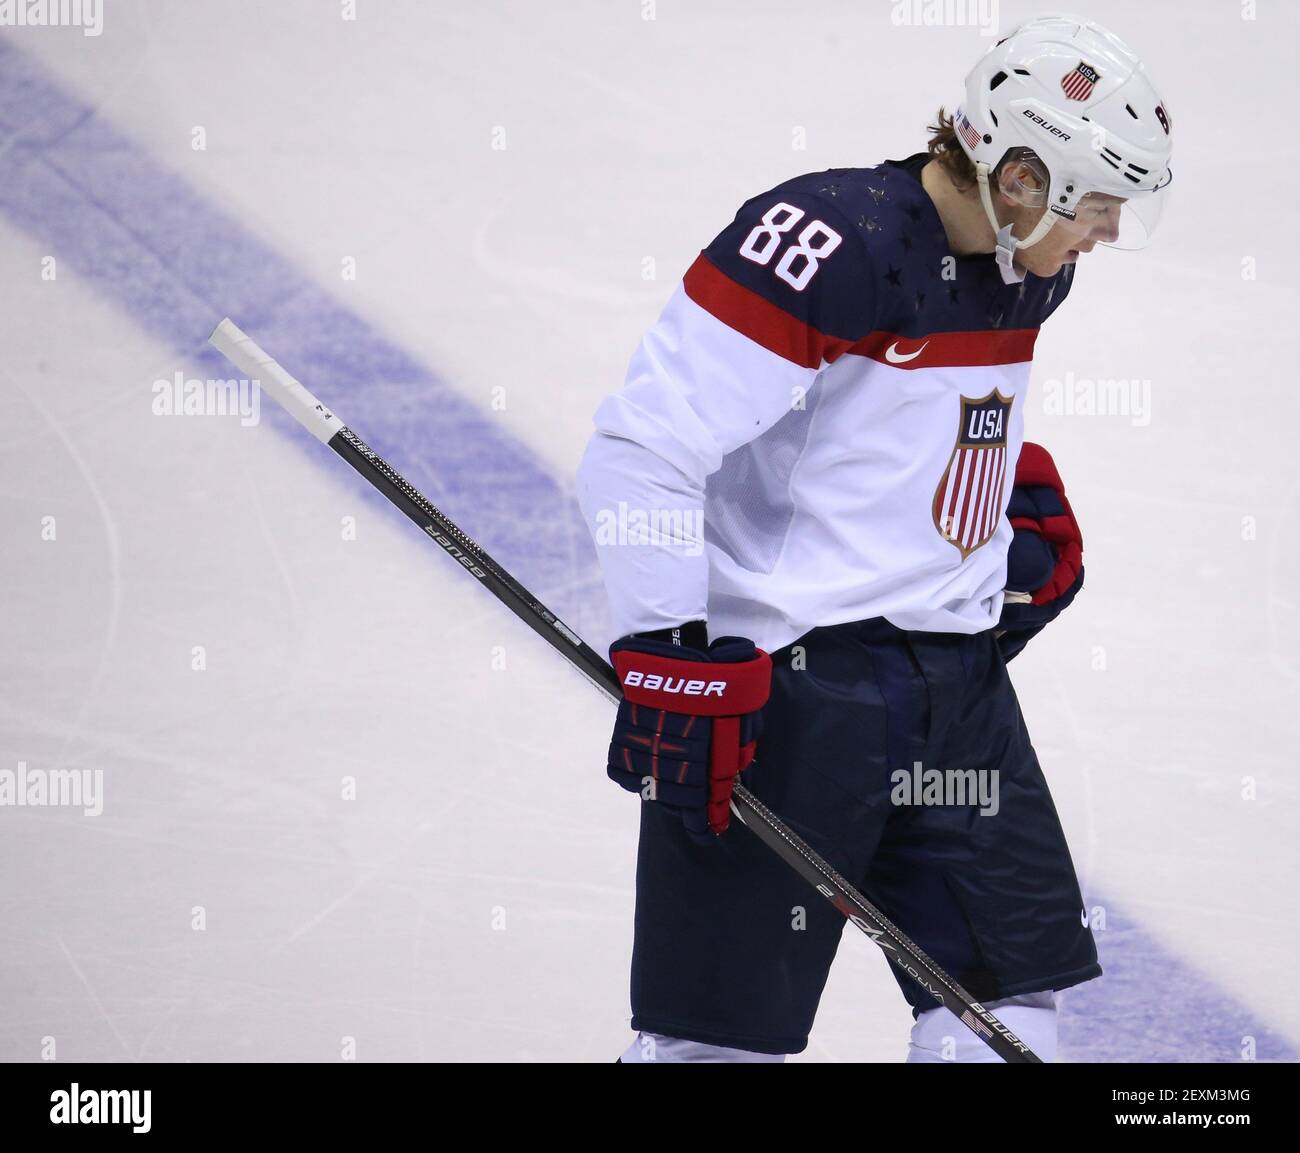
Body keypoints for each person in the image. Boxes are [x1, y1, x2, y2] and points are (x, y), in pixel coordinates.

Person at [576, 14, 1172, 1063]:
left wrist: (986, 530)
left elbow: (898, 426)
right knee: (714, 1046)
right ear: (1021, 176)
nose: (1109, 232)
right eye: (1097, 202)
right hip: (786, 694)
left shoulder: (1035, 265)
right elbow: (643, 446)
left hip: (957, 695)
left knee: (1005, 1018)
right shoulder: (828, 242)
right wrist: (669, 648)